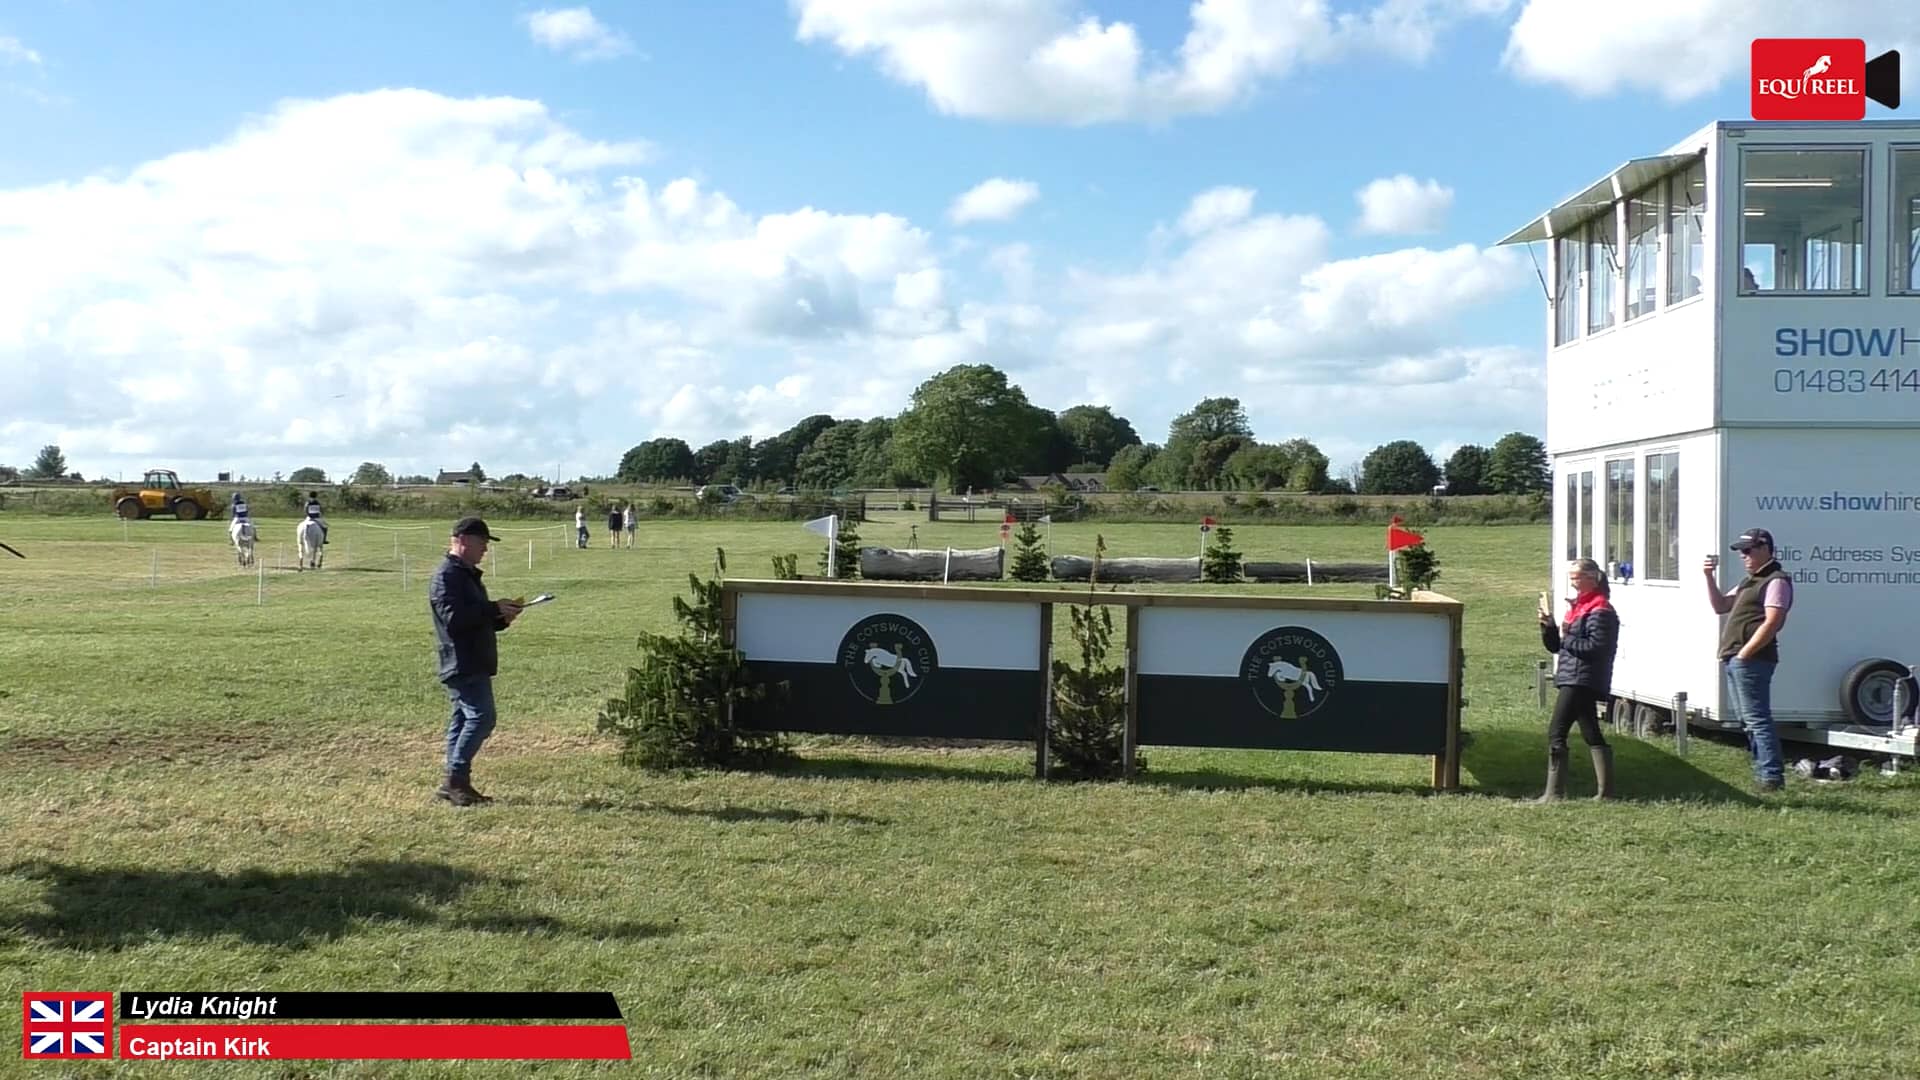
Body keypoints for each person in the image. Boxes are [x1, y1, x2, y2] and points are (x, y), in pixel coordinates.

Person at [428, 517, 522, 806]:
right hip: (461, 661)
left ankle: (454, 783)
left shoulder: (466, 575)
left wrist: (501, 617)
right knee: (482, 717)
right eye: (482, 543)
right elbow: (454, 620)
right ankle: (456, 779)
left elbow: (475, 618)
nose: (485, 550)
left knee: (462, 719)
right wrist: (492, 608)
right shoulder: (447, 576)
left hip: (473, 658)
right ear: (464, 540)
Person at [1705, 528, 1792, 792]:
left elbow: (1774, 621)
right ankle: (1763, 772)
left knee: (1757, 719)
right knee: (1748, 720)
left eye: (1748, 550)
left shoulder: (1776, 580)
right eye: (1741, 551)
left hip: (1752, 660)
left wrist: (1746, 653)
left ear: (1766, 548)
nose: (1744, 556)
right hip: (1736, 658)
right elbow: (1721, 606)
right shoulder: (1749, 581)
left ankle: (1771, 777)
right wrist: (1708, 576)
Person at [1536, 557, 1619, 802]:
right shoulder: (1579, 607)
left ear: (1592, 578)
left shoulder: (1600, 608)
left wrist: (1566, 638)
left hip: (1583, 677)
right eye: (1571, 577)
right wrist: (1548, 627)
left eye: (1576, 577)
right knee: (1591, 732)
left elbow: (1597, 646)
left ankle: (1554, 793)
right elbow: (1556, 647)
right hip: (1574, 675)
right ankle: (1606, 793)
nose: (1572, 582)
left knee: (1556, 732)